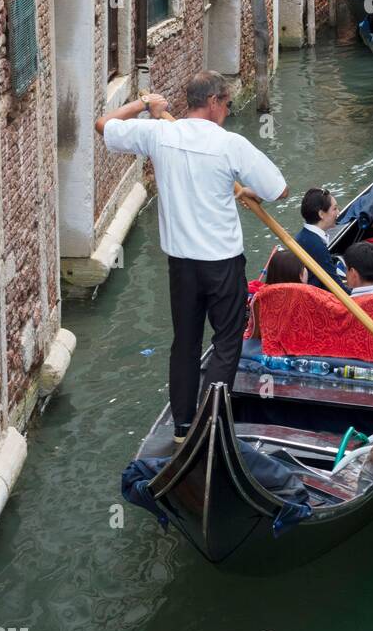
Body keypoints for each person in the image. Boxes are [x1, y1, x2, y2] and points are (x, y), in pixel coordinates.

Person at [96, 70, 287, 443]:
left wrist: (145, 106)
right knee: (228, 340)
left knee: (185, 343)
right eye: (228, 104)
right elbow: (279, 189)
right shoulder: (229, 144)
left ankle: (183, 428)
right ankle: (210, 425)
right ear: (214, 101)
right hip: (222, 264)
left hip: (181, 266)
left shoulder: (159, 134)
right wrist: (251, 190)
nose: (229, 112)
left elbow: (104, 125)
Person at [295, 188, 348, 291]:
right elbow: (338, 289)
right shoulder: (316, 246)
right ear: (321, 214)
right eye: (334, 209)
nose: (338, 212)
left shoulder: (302, 236)